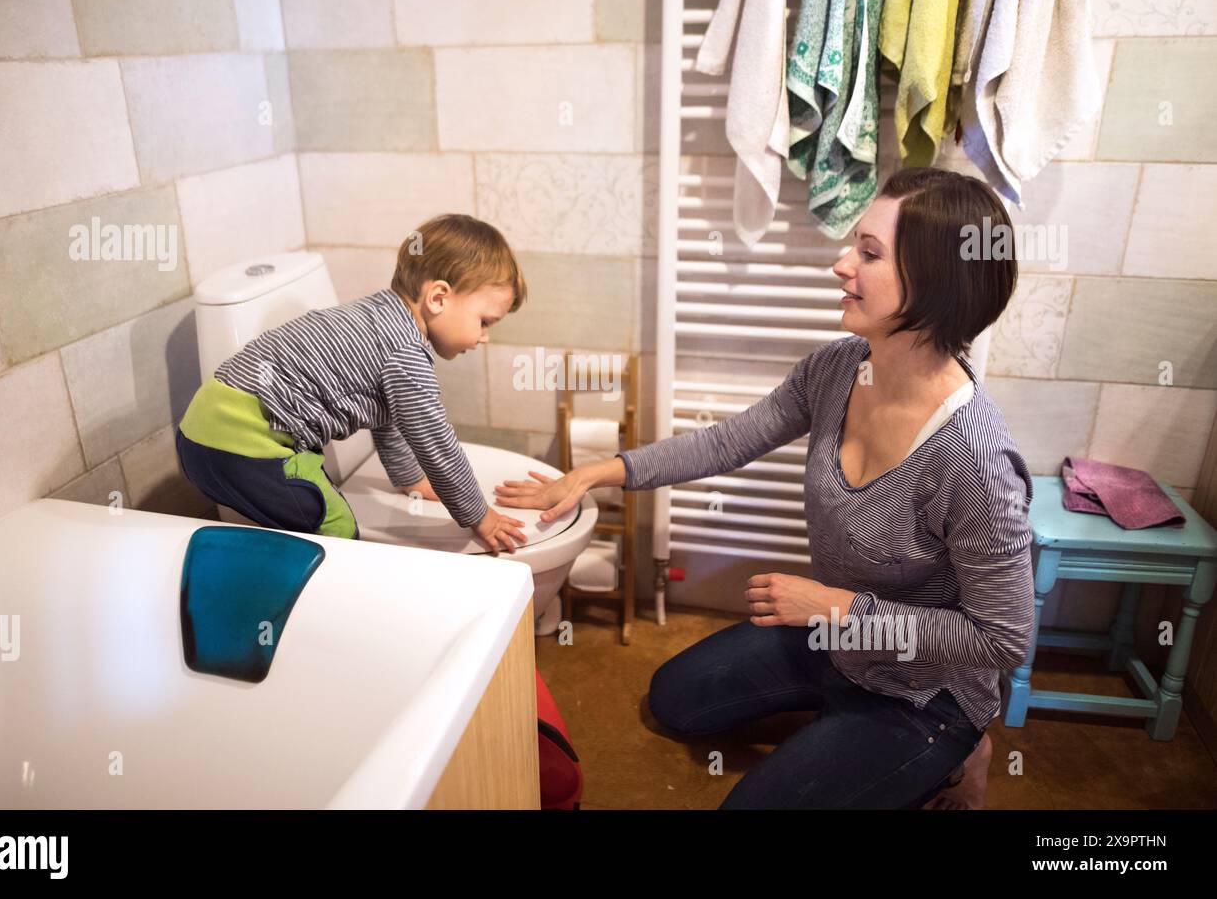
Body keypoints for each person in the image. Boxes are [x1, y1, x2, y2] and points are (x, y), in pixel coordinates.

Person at [495, 168, 1034, 808]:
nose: (841, 265)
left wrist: (836, 608)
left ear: (935, 282)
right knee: (675, 700)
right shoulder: (837, 369)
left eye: (867, 253)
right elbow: (727, 441)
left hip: (925, 693)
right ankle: (837, 720)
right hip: (838, 642)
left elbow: (1002, 639)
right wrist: (596, 473)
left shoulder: (975, 457)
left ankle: (963, 750)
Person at [176, 213, 529, 554]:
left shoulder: (378, 318)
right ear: (438, 298)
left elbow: (389, 417)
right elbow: (436, 443)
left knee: (288, 530)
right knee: (336, 529)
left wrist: (411, 481)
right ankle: (321, 609)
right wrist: (478, 516)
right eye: (485, 321)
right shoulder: (405, 352)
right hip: (247, 445)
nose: (484, 338)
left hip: (202, 432)